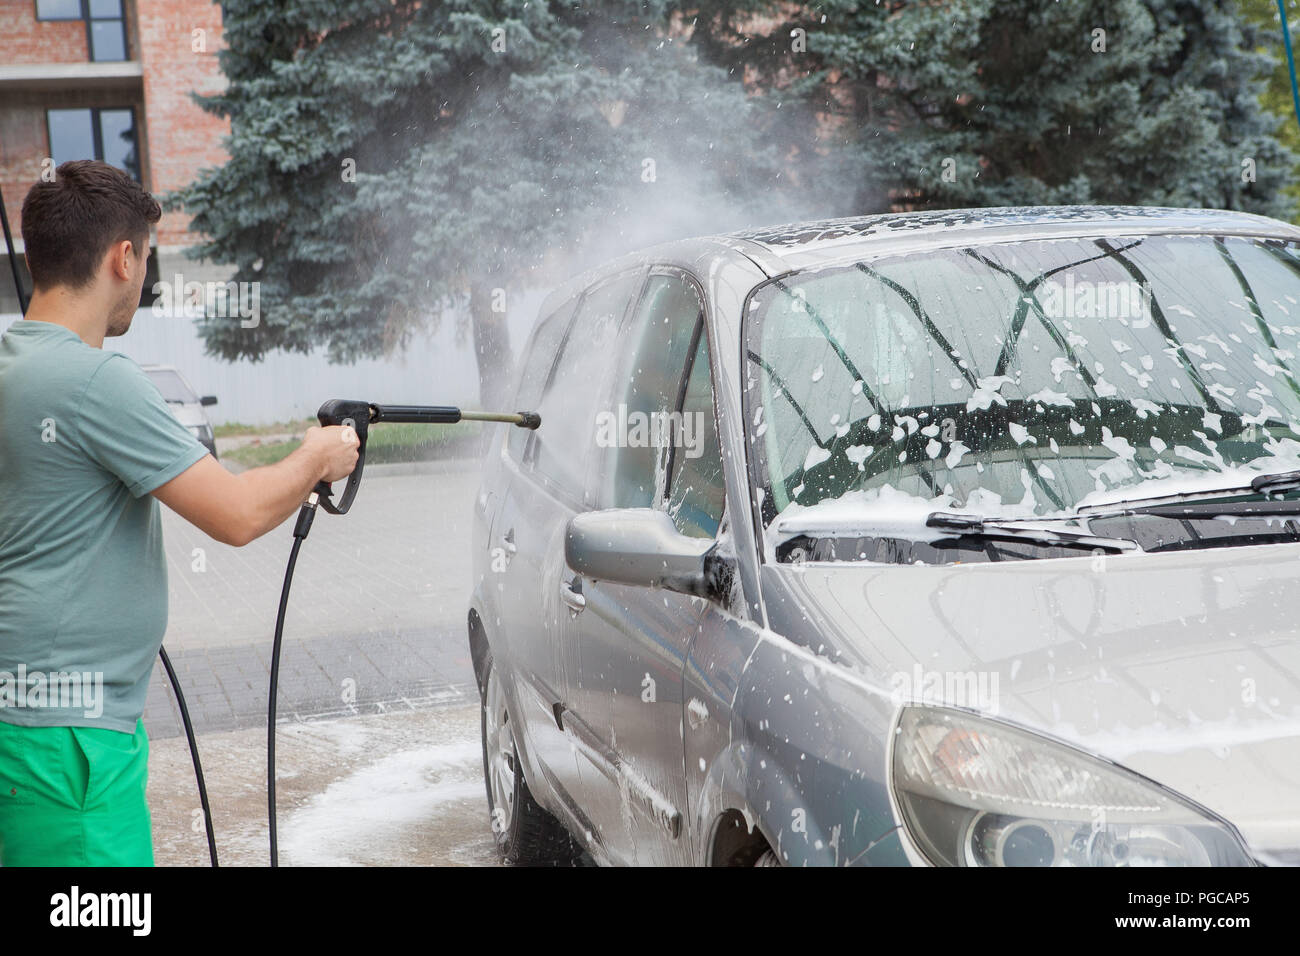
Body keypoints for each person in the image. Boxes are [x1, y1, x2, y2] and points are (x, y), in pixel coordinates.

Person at [0, 160, 358, 865]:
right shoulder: (95, 381)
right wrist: (318, 455)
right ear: (122, 258)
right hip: (67, 751)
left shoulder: (12, 365)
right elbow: (236, 513)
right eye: (147, 259)